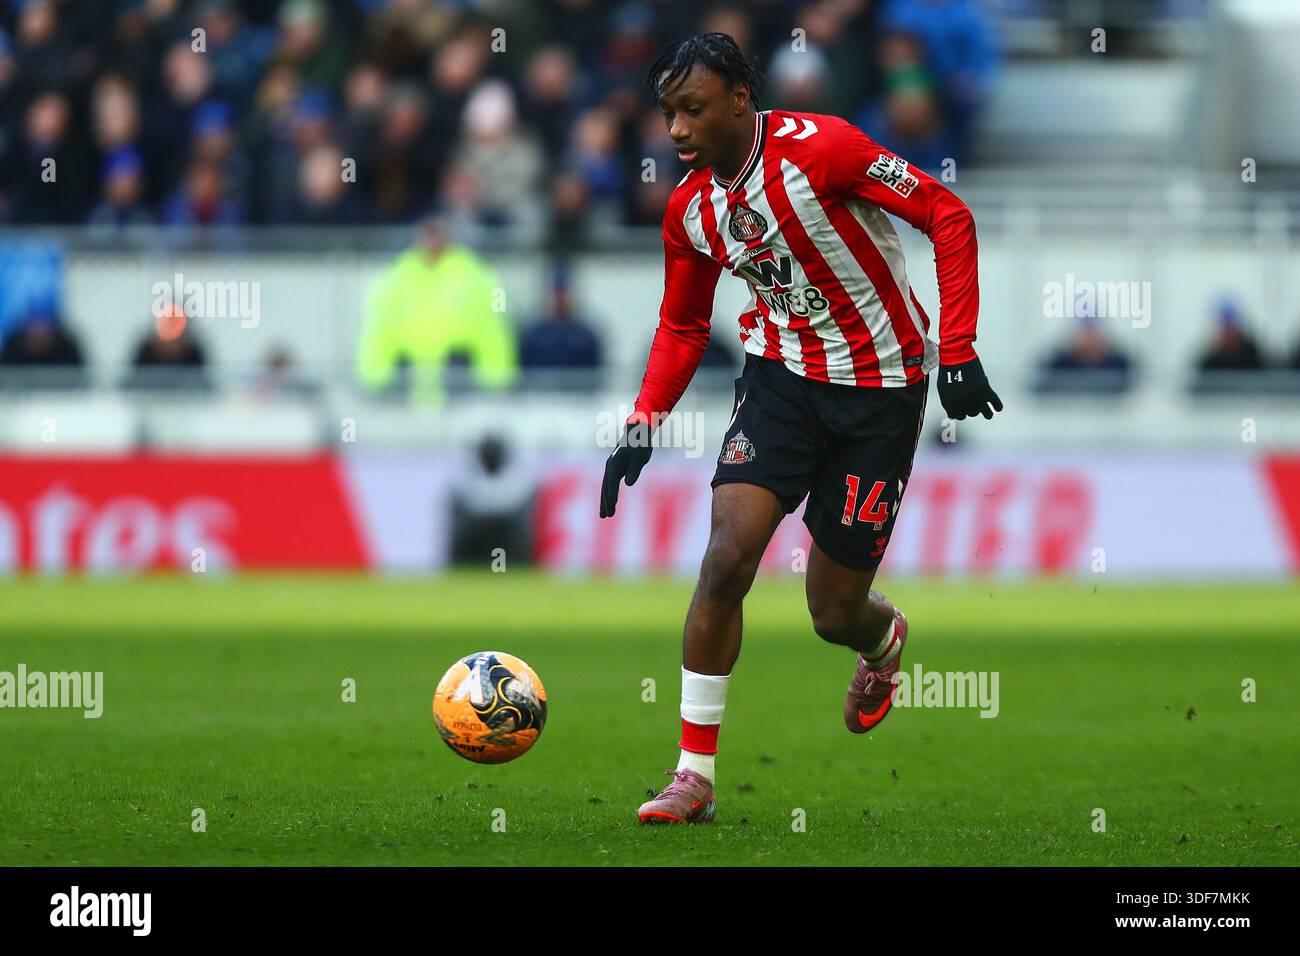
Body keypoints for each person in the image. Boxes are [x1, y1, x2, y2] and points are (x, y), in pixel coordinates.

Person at [600, 34, 1000, 824]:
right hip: (780, 383)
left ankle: (883, 645)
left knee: (832, 612)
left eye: (693, 109)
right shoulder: (691, 208)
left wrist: (957, 350)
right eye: (668, 114)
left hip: (881, 391)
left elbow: (946, 214)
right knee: (724, 560)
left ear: (740, 99)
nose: (676, 130)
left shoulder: (826, 150)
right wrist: (644, 423)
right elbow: (682, 326)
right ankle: (694, 775)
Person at [357, 213, 517, 404]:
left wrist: (496, 382)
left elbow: (494, 330)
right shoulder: (395, 277)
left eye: (436, 232)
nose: (432, 240)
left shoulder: (478, 275)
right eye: (428, 233)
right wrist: (375, 381)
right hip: (407, 389)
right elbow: (379, 330)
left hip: (462, 387)